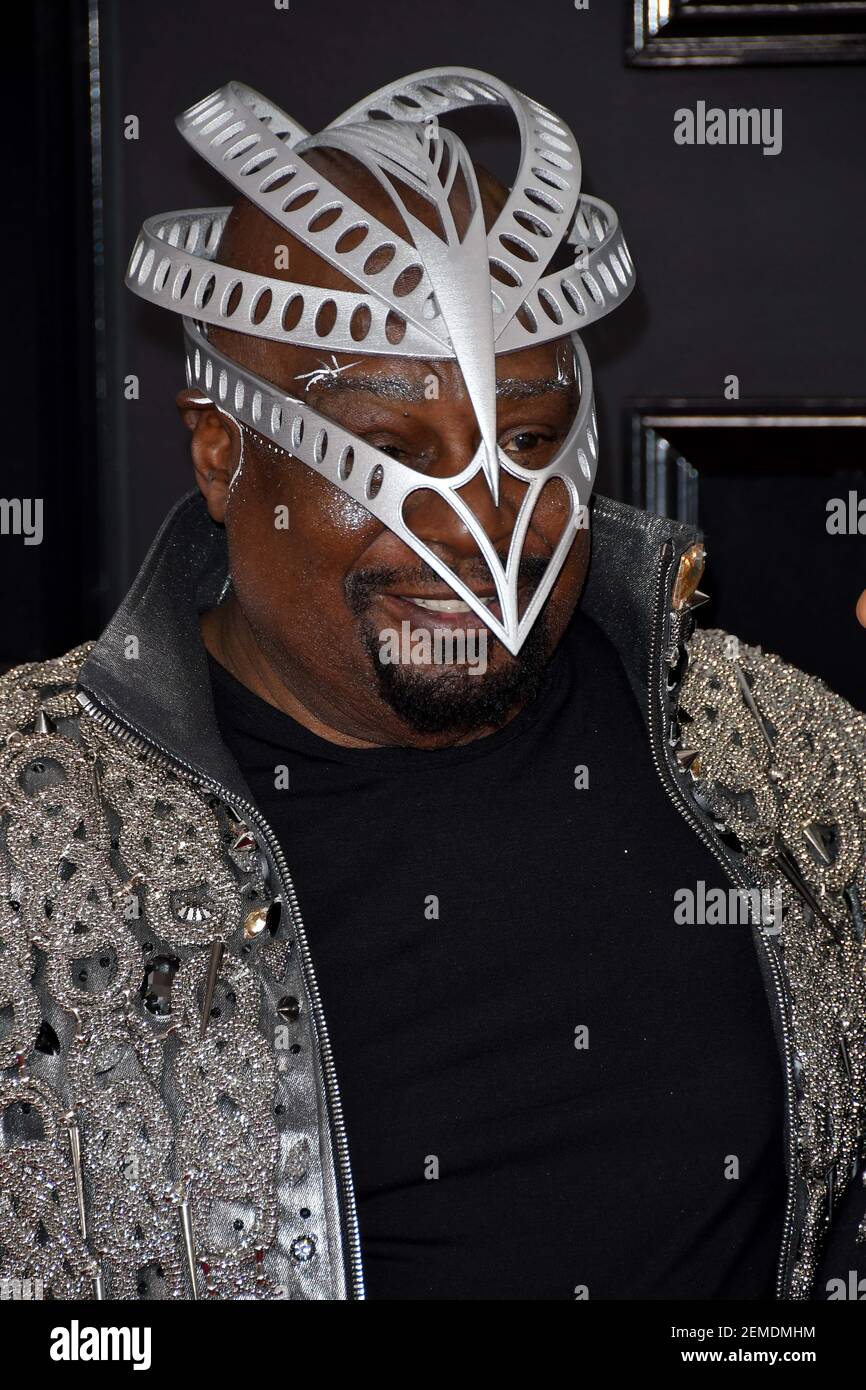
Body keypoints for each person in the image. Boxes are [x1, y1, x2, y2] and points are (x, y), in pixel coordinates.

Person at [1, 69, 863, 1302]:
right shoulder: (31, 839)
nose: (480, 529)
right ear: (220, 453)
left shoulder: (780, 759)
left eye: (524, 439)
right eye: (392, 452)